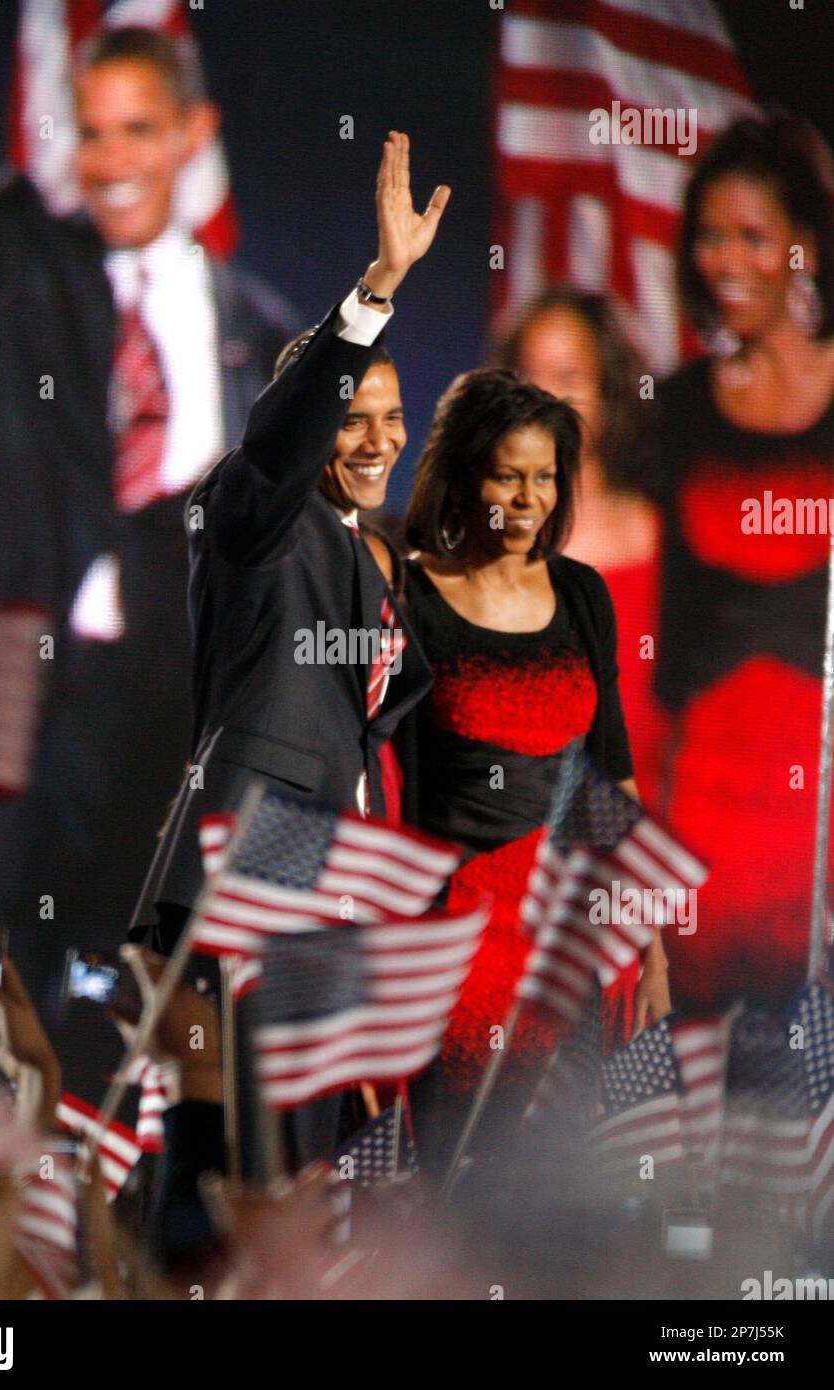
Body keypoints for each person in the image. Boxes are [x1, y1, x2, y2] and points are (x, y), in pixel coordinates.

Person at [0, 10, 297, 1092]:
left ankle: (113, 1243)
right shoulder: (20, 266)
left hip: (164, 726)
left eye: (137, 130)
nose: (110, 162)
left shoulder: (259, 330)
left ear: (193, 134)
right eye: (91, 134)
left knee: (138, 1025)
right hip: (20, 709)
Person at [131, 131, 448, 1172]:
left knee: (317, 1195)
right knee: (229, 1185)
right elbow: (279, 442)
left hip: (335, 911)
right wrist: (379, 288)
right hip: (251, 887)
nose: (376, 440)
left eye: (394, 420)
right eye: (352, 417)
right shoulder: (250, 513)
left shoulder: (370, 559)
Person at [399, 369, 670, 1158]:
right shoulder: (412, 596)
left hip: (578, 947)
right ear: (464, 475)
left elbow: (613, 773)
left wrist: (652, 947)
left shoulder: (583, 593)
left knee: (564, 1199)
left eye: (545, 478)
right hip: (462, 954)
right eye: (507, 476)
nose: (528, 499)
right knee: (463, 1187)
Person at [646, 114, 834, 1009]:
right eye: (710, 237)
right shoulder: (677, 414)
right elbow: (652, 631)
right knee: (708, 1106)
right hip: (709, 811)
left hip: (823, 812)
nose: (725, 262)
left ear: (805, 247)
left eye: (752, 236)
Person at [499, 288, 670, 808]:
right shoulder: (481, 544)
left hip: (644, 848)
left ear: (610, 389)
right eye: (532, 377)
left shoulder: (662, 537)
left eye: (569, 378)